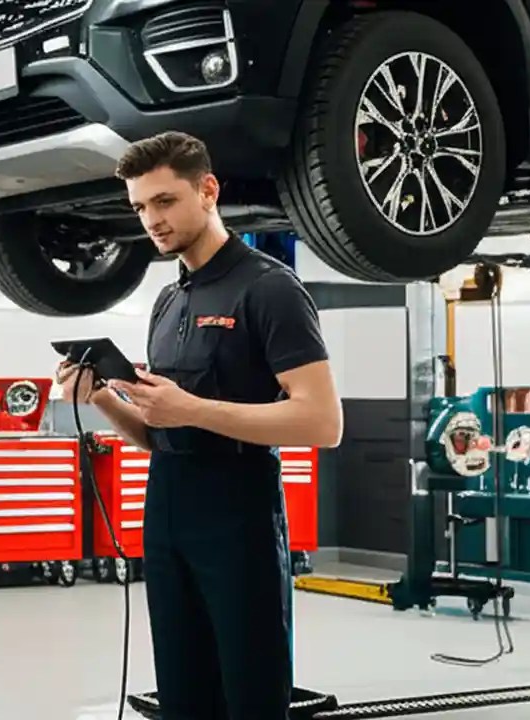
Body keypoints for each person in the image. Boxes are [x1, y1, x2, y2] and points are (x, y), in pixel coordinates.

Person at [57, 131, 343, 719]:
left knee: (250, 693)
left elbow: (322, 420)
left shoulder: (268, 288)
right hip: (165, 510)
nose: (152, 221)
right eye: (140, 207)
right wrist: (105, 399)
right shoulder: (167, 301)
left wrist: (192, 409)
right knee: (182, 694)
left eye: (164, 201)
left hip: (238, 515)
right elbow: (160, 432)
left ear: (207, 190)